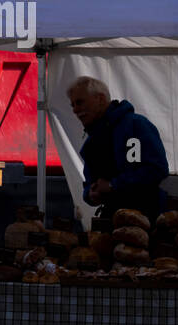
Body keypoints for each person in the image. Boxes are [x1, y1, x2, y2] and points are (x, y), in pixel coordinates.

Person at [66, 76, 168, 220]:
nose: (75, 110)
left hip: (148, 217)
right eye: (73, 105)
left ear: (100, 99)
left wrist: (113, 185)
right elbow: (89, 183)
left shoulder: (135, 126)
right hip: (111, 218)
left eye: (80, 102)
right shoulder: (91, 142)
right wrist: (90, 193)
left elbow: (156, 169)